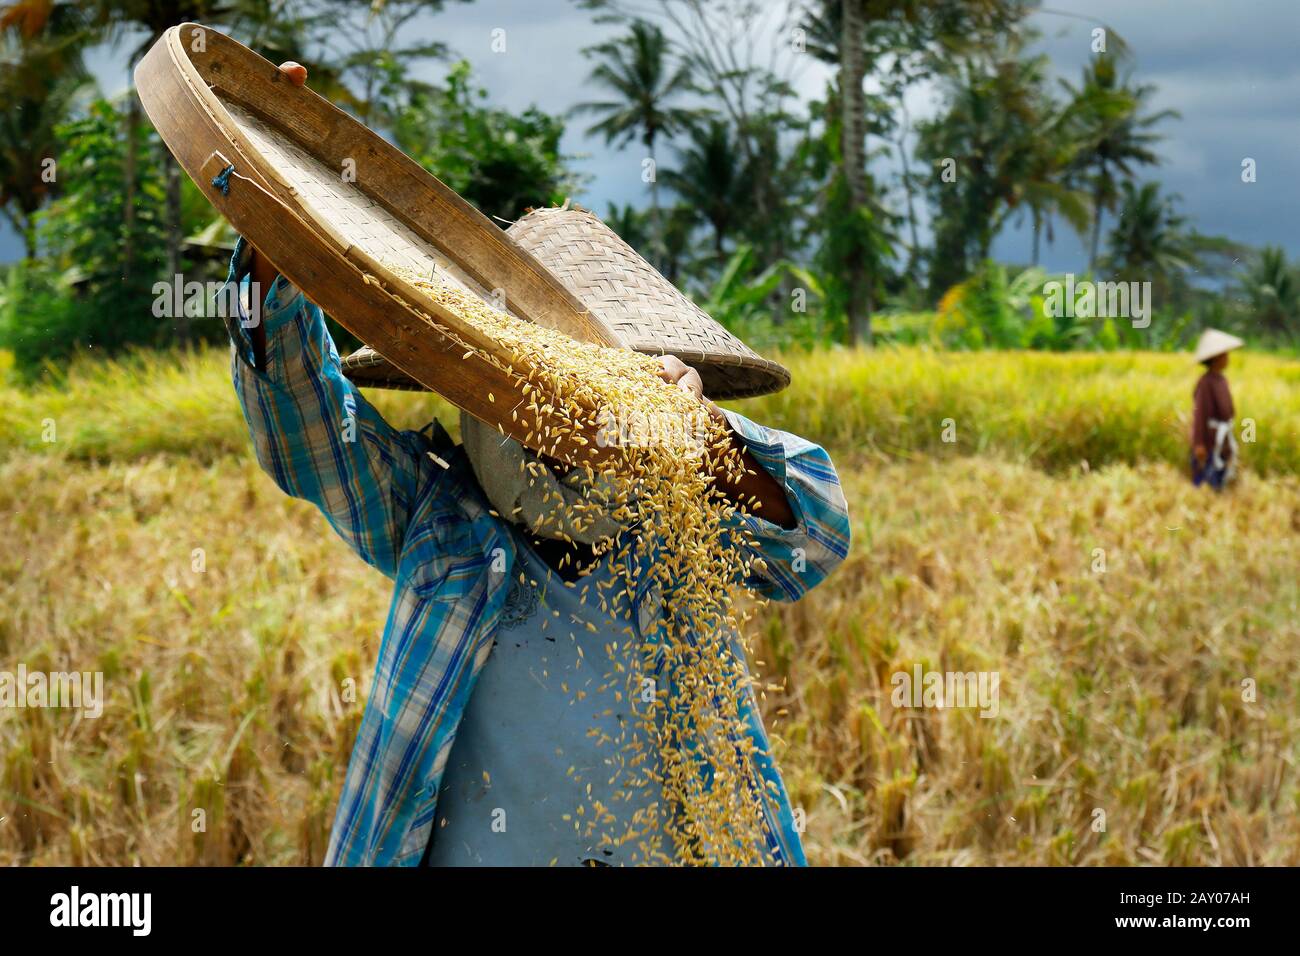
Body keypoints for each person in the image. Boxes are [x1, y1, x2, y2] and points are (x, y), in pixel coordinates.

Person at [221, 62, 850, 867]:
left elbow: (819, 534)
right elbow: (303, 425)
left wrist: (700, 440)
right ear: (465, 398)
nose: (556, 435)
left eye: (590, 400)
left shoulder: (678, 536)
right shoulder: (436, 522)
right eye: (521, 399)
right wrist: (276, 241)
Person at [1189, 328, 1244, 490]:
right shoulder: (1205, 383)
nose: (1228, 358)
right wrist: (1199, 443)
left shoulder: (1221, 380)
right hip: (1209, 441)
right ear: (1216, 358)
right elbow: (1200, 414)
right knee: (1206, 485)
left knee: (1220, 481)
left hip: (1220, 440)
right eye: (1225, 355)